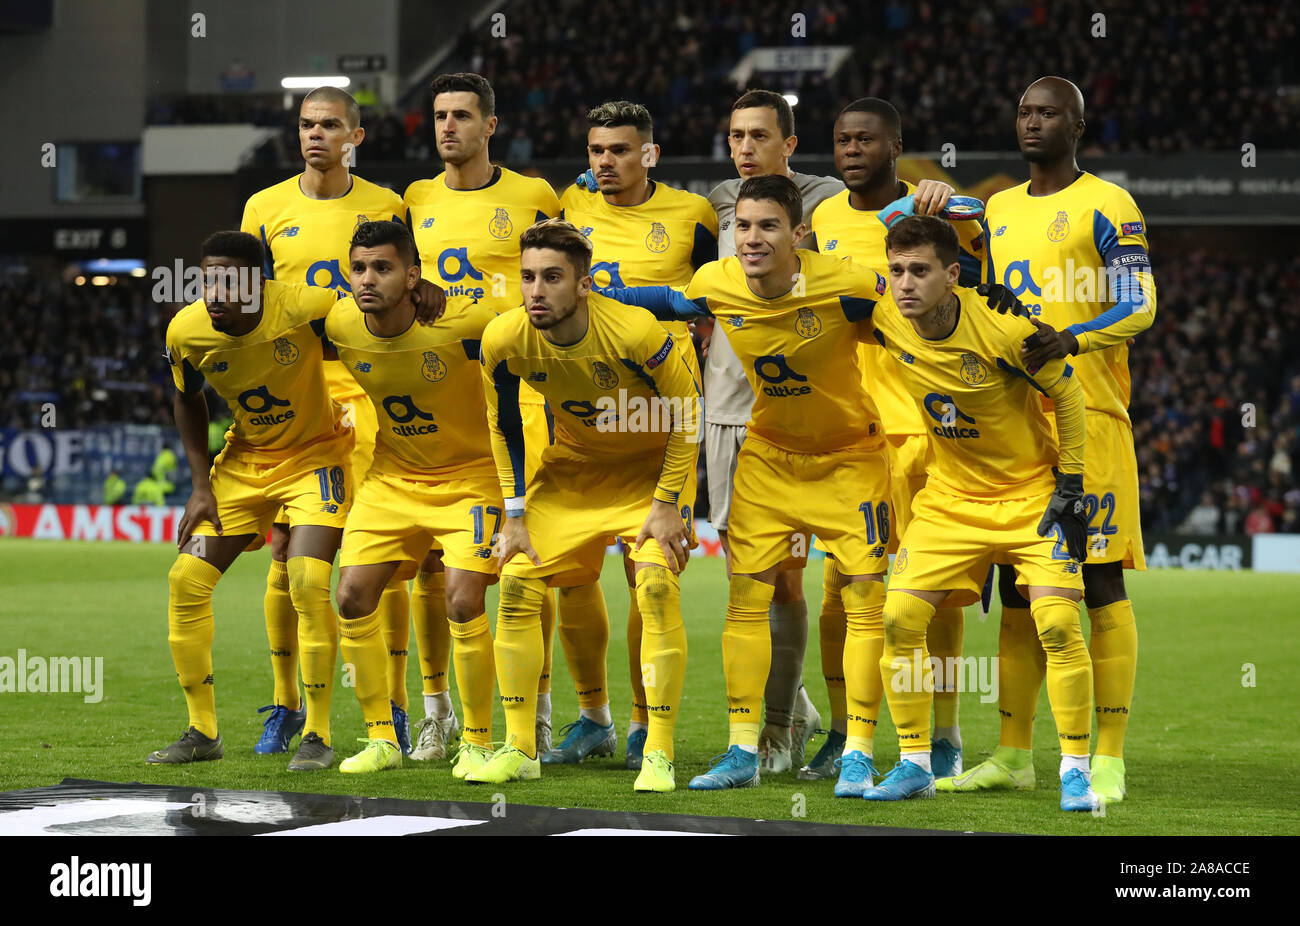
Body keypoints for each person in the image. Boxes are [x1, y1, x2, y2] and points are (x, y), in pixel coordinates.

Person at [952, 76, 1157, 804]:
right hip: (1013, 423)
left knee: (1099, 580)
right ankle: (1013, 753)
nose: (1032, 123)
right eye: (1024, 112)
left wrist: (1070, 338)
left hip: (1091, 417)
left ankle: (1108, 756)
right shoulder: (1001, 206)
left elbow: (1142, 304)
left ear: (1077, 124)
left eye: (1048, 113)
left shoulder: (1109, 204)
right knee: (1018, 585)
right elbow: (983, 295)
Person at [857, 213, 1098, 813]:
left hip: (1029, 497)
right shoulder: (886, 314)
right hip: (949, 499)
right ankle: (914, 761)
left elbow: (1068, 392)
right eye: (896, 271)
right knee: (898, 619)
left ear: (953, 275)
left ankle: (1075, 768)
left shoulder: (1003, 330)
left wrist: (1070, 482)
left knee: (1060, 625)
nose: (905, 284)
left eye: (919, 271)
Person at [477, 219, 701, 792]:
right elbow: (502, 426)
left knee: (653, 585)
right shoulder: (503, 340)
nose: (535, 291)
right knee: (519, 579)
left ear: (584, 284)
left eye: (552, 278)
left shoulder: (635, 332)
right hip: (574, 469)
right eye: (527, 277)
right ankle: (520, 747)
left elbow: (688, 417)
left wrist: (670, 502)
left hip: (652, 470)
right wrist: (516, 514)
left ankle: (659, 750)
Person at [804, 97, 980, 781]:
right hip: (849, 431)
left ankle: (944, 734)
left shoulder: (936, 210)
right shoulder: (821, 220)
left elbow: (984, 284)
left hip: (922, 429)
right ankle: (847, 731)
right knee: (841, 590)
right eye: (843, 139)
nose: (852, 150)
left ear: (895, 146)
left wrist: (956, 208)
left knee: (930, 591)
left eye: (867, 140)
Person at [240, 85, 410, 759]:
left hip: (369, 391)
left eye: (330, 125)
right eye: (308, 125)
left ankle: (392, 706)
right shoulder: (264, 208)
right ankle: (288, 705)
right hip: (295, 395)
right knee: (286, 559)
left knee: (377, 555)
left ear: (355, 136)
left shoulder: (385, 207)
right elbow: (248, 303)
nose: (316, 135)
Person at [550, 100, 717, 770]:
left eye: (620, 150)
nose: (605, 162)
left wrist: (653, 305)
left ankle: (650, 724)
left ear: (649, 154)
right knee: (568, 575)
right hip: (584, 418)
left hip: (658, 415)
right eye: (596, 151)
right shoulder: (573, 204)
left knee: (646, 578)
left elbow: (707, 299)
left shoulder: (692, 215)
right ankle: (594, 718)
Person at [149, 231, 355, 769]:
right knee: (185, 579)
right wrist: (199, 485)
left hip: (316, 457)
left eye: (229, 280)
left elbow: (372, 331)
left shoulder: (306, 307)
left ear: (259, 283)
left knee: (308, 579)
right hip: (244, 464)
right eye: (207, 279)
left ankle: (318, 734)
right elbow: (186, 399)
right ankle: (203, 731)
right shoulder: (187, 331)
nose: (215, 292)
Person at [404, 73, 565, 759]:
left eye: (462, 116)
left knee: (532, 558)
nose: (448, 128)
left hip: (520, 396)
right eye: (439, 116)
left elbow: (560, 278)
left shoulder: (532, 197)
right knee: (430, 564)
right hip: (440, 397)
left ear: (490, 125)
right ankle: (435, 712)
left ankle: (542, 709)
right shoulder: (416, 199)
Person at [327, 221, 502, 777]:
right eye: (358, 268)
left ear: (412, 276)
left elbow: (527, 340)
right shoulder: (338, 323)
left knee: (462, 600)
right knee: (352, 596)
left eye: (383, 267)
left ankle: (475, 741)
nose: (368, 279)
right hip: (393, 476)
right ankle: (382, 739)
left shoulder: (465, 323)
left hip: (471, 476)